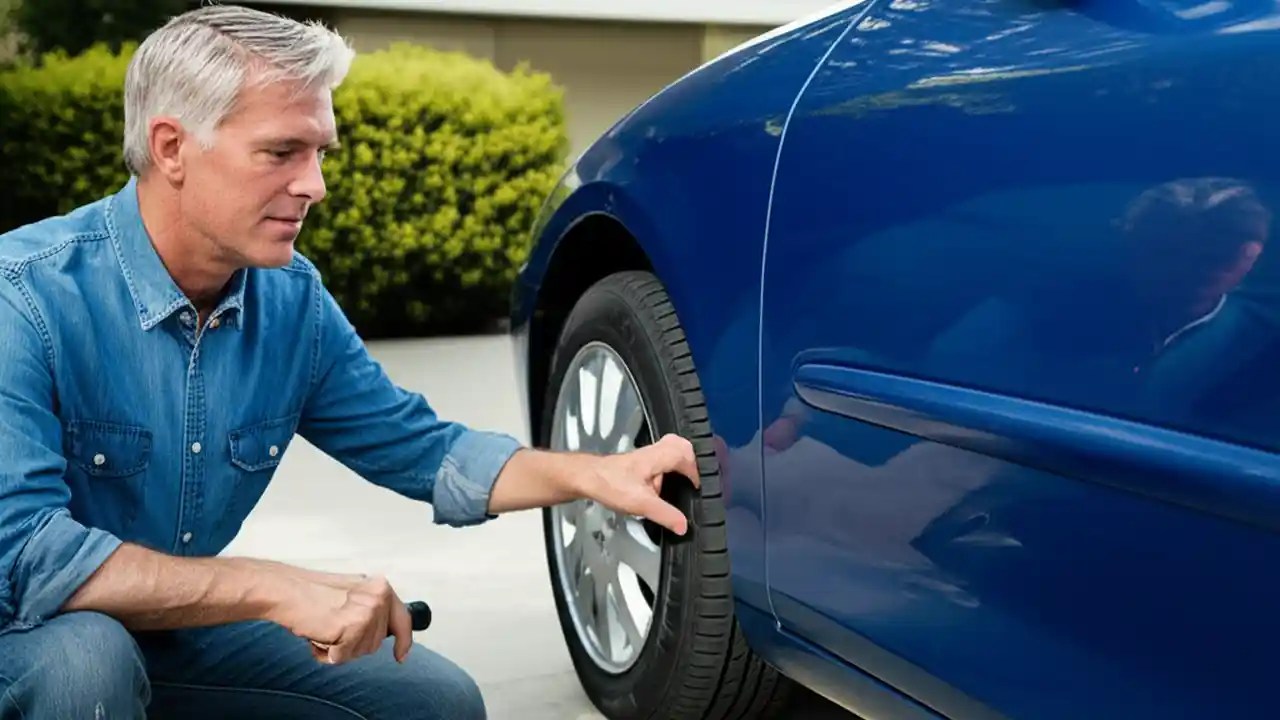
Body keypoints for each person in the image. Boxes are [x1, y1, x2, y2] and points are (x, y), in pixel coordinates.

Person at [0, 5, 700, 719]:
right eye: (282, 152)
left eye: (320, 154)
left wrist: (593, 474)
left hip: (166, 634)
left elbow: (423, 449)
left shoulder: (289, 301)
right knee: (87, 666)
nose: (316, 186)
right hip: (22, 639)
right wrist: (278, 587)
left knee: (435, 702)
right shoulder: (21, 298)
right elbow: (29, 561)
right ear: (172, 148)